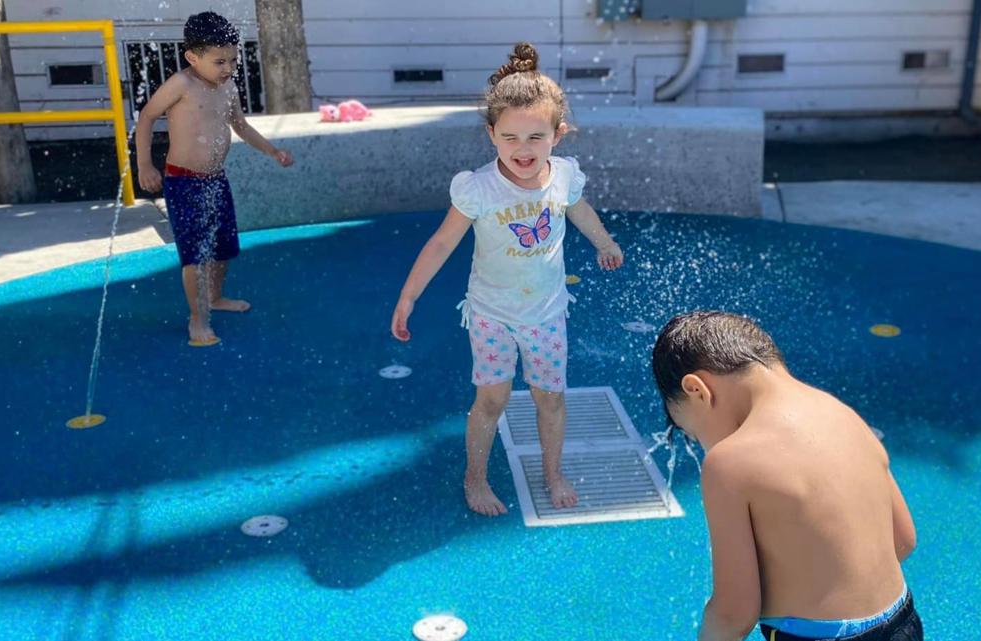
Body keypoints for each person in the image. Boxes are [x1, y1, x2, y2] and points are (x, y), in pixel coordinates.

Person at [390, 42, 624, 516]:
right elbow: (441, 243)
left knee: (550, 398)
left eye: (536, 137)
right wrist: (409, 296)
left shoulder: (563, 177)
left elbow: (579, 211)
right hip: (491, 314)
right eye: (511, 137)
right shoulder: (478, 188)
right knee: (492, 400)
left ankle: (552, 472)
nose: (523, 149)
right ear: (491, 134)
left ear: (558, 135)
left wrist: (604, 242)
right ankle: (475, 477)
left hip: (546, 313)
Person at [651, 311, 922, 641]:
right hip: (902, 623)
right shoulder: (842, 413)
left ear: (698, 390)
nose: (704, 446)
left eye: (693, 434)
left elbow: (734, 613)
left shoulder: (730, 463)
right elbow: (903, 541)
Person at [135, 11, 294, 345]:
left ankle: (215, 297)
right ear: (192, 57)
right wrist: (145, 165)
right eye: (219, 62)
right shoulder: (181, 84)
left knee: (223, 247)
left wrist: (272, 151)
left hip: (215, 180)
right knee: (195, 255)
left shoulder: (228, 87)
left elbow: (241, 126)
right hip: (183, 182)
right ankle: (197, 318)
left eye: (233, 60)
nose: (228, 68)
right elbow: (147, 117)